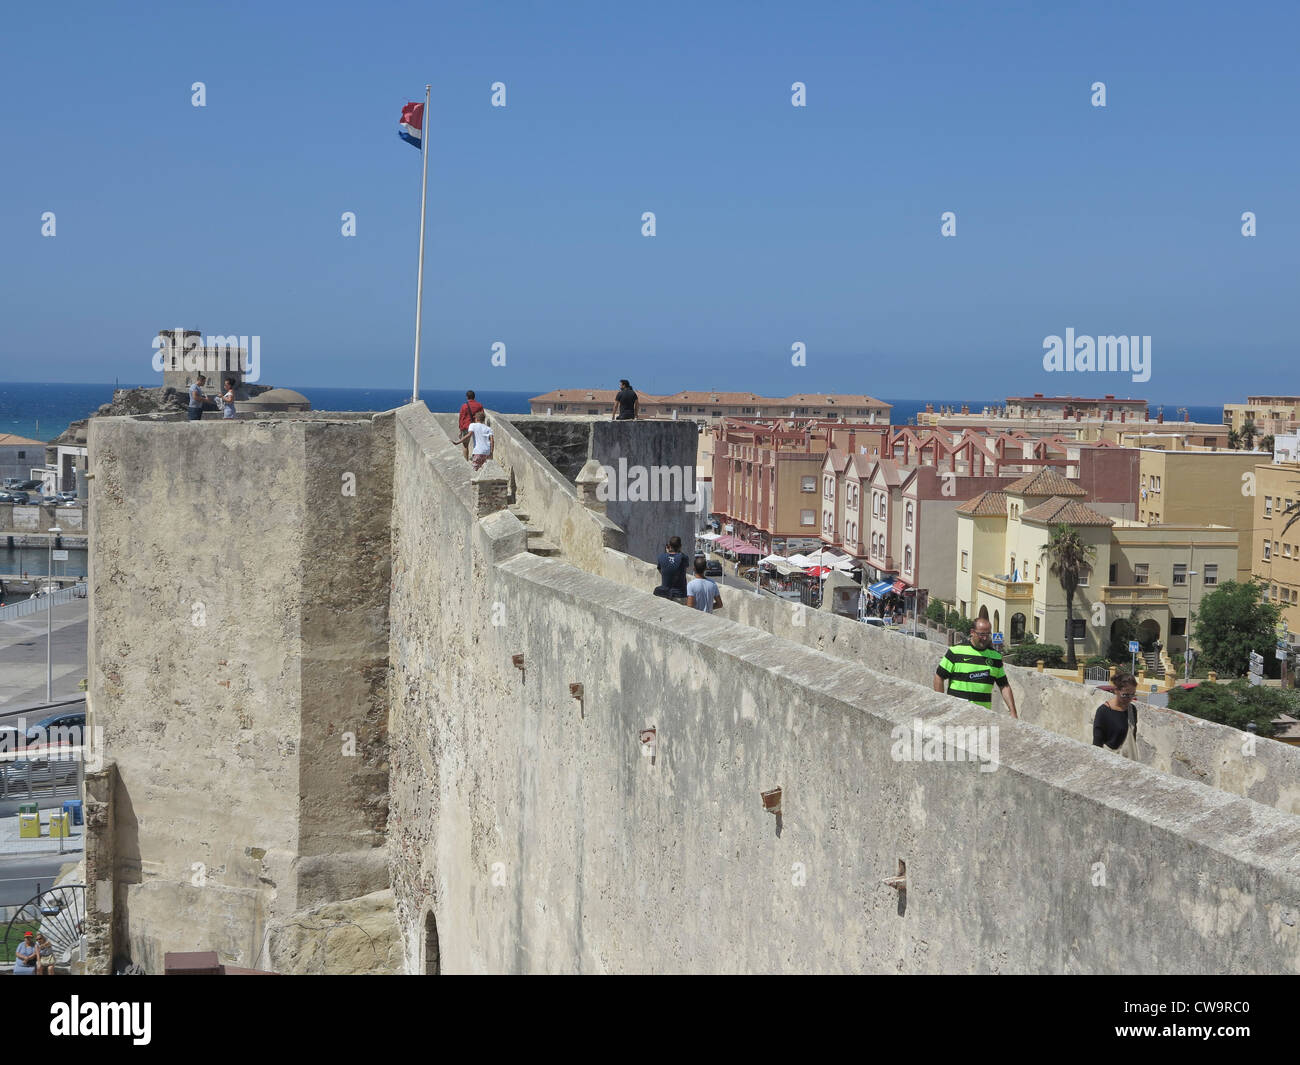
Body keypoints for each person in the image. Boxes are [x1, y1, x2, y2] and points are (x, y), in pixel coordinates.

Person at [933, 617, 1019, 718]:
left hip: (982, 715)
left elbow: (1004, 686)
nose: (985, 638)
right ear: (972, 632)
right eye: (982, 634)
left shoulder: (995, 657)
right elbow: (939, 677)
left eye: (988, 634)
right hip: (956, 713)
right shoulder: (955, 652)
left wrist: (1013, 712)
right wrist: (942, 704)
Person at [1093, 672, 1138, 751]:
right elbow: (1097, 744)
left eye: (1132, 695)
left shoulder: (1132, 710)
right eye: (1125, 695)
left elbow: (1132, 738)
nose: (1130, 699)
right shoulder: (1103, 712)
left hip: (1130, 759)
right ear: (1116, 690)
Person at [458, 390, 485, 460]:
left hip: (466, 427)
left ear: (467, 397)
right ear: (474, 397)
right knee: (477, 444)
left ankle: (466, 460)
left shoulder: (464, 406)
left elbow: (461, 418)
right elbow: (482, 416)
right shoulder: (479, 405)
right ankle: (476, 459)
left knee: (465, 445)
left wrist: (460, 430)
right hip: (477, 427)